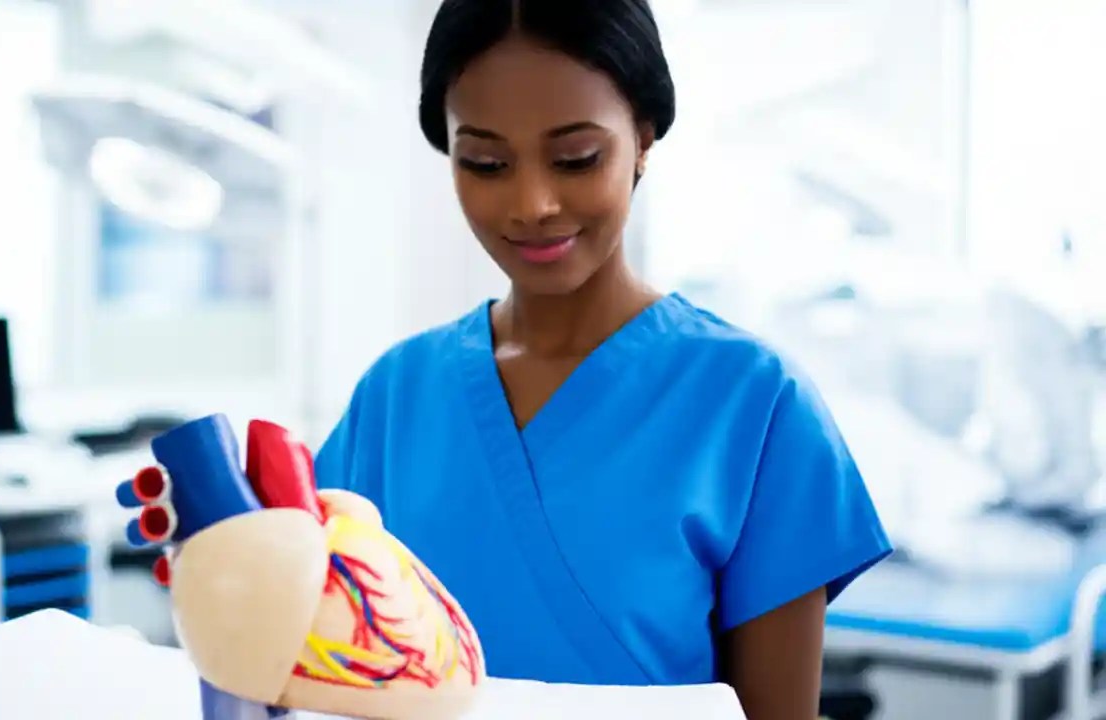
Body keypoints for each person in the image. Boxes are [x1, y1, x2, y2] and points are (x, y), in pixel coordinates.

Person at [313, 1, 893, 718]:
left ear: (643, 138)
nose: (532, 203)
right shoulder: (396, 398)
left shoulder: (755, 404)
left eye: (575, 158)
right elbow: (318, 665)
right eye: (487, 163)